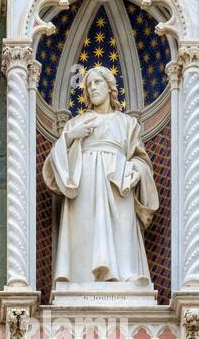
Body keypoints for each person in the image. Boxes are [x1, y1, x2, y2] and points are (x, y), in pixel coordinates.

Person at [42, 66, 158, 285]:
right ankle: (81, 278)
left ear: (110, 87)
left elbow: (141, 160)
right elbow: (53, 167)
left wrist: (135, 171)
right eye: (89, 85)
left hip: (117, 181)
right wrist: (68, 138)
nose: (92, 88)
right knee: (87, 228)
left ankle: (126, 272)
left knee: (122, 224)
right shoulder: (76, 123)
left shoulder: (127, 123)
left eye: (97, 82)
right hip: (85, 181)